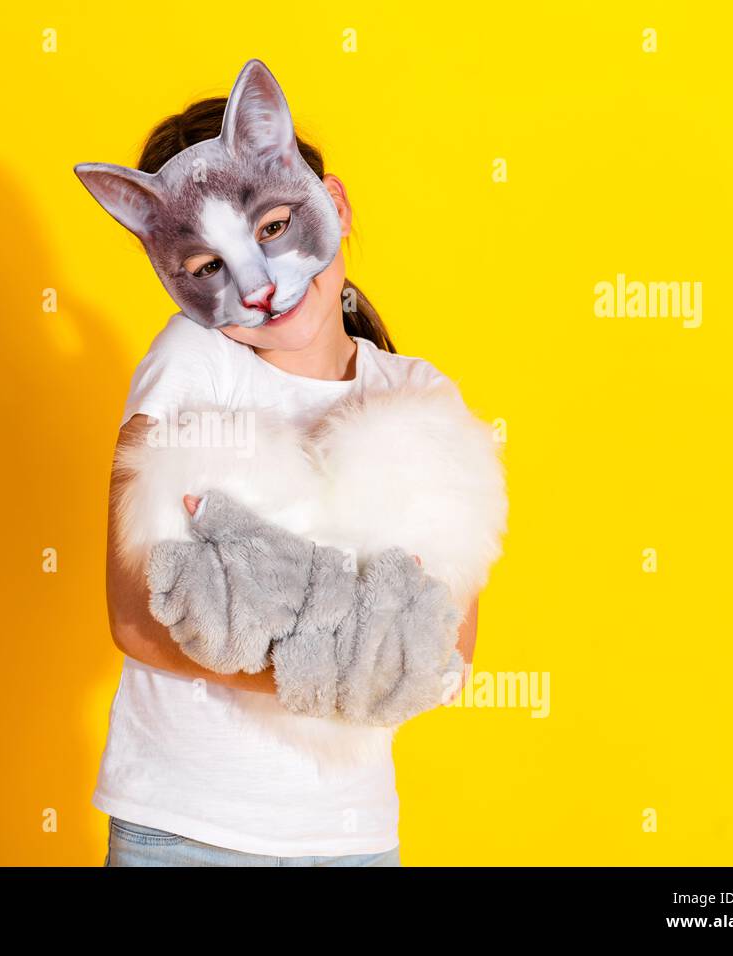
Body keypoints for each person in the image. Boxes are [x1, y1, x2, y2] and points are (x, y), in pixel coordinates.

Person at [92, 91, 480, 868]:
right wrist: (353, 656)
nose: (262, 282)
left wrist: (259, 619)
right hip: (185, 826)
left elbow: (447, 654)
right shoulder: (192, 365)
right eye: (208, 265)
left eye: (273, 228)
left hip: (352, 837)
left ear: (329, 200)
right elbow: (138, 619)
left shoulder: (417, 398)